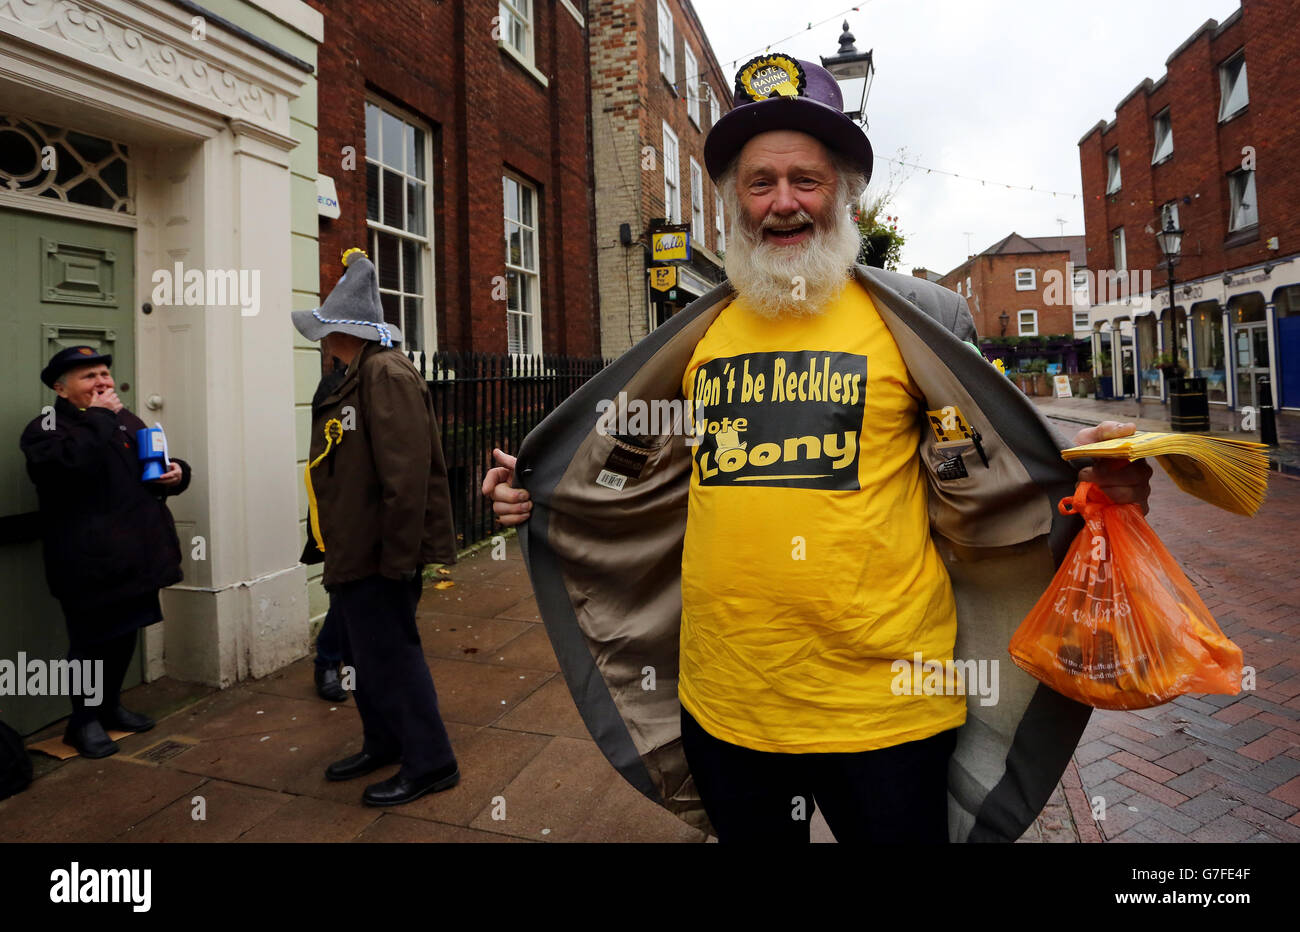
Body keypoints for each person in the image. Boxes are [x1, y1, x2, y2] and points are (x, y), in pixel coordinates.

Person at [483, 54, 1153, 842]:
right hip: (726, 704)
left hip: (889, 710)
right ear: (733, 198)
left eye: (806, 179)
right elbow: (635, 472)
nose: (782, 203)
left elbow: (1003, 451)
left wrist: (1098, 469)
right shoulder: (696, 336)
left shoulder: (917, 323)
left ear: (844, 189)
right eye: (759, 183)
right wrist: (542, 492)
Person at [292, 247, 460, 807]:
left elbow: (406, 478)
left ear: (345, 332)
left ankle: (431, 762)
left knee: (392, 658)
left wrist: (398, 560)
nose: (320, 342)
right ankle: (384, 742)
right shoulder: (356, 373)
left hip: (380, 555)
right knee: (366, 657)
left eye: (325, 332)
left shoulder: (383, 374)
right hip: (354, 552)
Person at [20, 346, 191, 758]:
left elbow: (150, 465)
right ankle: (82, 723)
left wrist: (177, 473)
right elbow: (68, 467)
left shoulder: (124, 420)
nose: (102, 383)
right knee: (90, 643)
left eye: (104, 374)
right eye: (88, 377)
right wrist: (100, 417)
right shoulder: (45, 427)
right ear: (61, 389)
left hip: (137, 554)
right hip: (88, 561)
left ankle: (110, 707)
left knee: (124, 636)